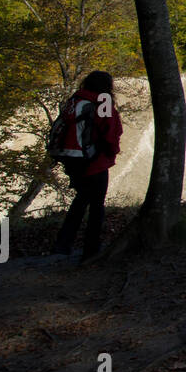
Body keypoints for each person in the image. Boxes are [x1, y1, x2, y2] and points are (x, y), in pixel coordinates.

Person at [52, 71, 123, 259]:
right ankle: (91, 250)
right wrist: (112, 151)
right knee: (97, 205)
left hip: (71, 158)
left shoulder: (75, 99)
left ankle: (63, 244)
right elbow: (109, 131)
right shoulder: (104, 101)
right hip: (93, 159)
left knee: (82, 199)